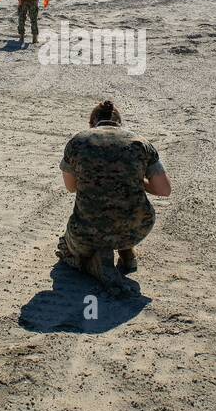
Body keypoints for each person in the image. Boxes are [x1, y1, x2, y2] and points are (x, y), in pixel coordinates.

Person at [57, 99, 171, 294]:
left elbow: (71, 187)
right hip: (137, 227)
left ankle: (98, 264)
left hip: (88, 231)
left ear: (92, 122)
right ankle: (126, 250)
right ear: (120, 123)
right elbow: (164, 190)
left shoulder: (78, 142)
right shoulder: (141, 143)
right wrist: (132, 180)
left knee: (65, 248)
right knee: (121, 216)